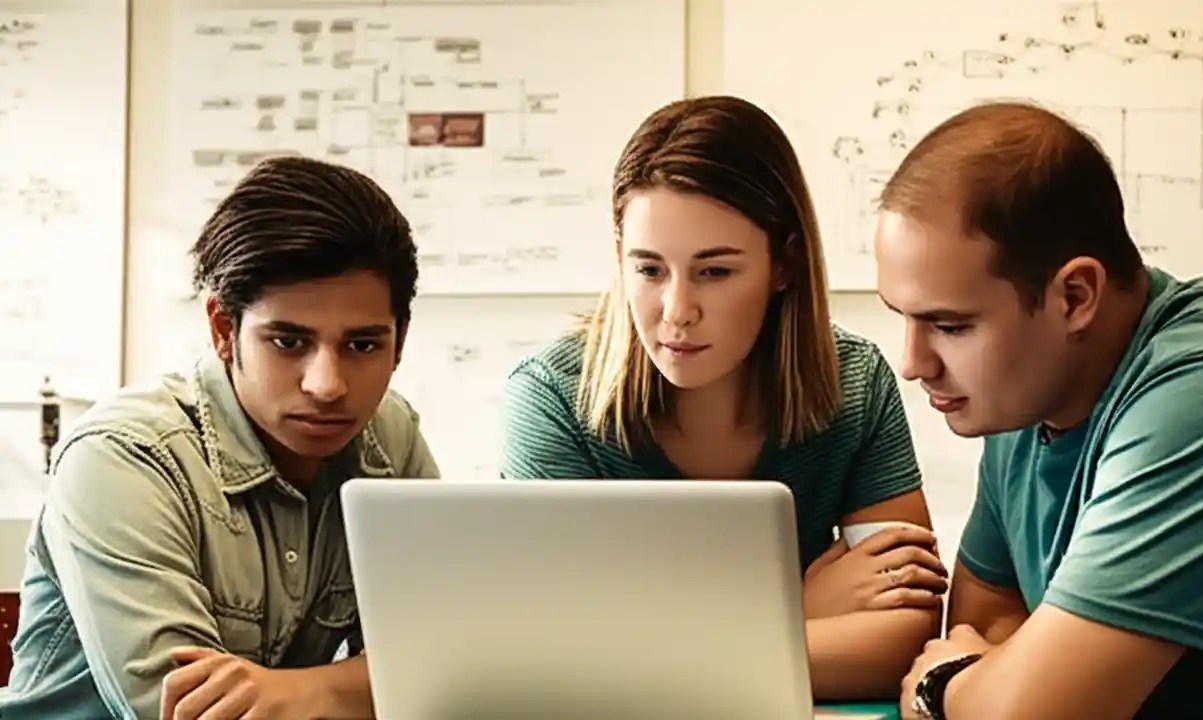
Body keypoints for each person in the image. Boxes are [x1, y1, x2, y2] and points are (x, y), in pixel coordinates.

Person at [501, 95, 947, 701]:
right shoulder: (550, 397)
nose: (677, 312)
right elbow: (563, 662)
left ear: (783, 264)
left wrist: (649, 650)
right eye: (650, 270)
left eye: (715, 272)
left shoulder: (856, 381)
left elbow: (905, 645)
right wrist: (793, 607)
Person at [873, 101, 1203, 720]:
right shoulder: (1030, 390)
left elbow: (1025, 710)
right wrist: (986, 682)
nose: (913, 362)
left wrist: (942, 687)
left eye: (950, 326)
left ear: (1075, 295)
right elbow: (985, 620)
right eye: (903, 316)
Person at [0, 156, 440, 719]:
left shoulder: (389, 434)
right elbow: (186, 713)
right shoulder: (122, 459)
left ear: (399, 342)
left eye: (362, 346)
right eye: (288, 342)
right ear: (222, 330)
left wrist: (301, 692)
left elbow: (447, 661)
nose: (327, 386)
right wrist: (362, 687)